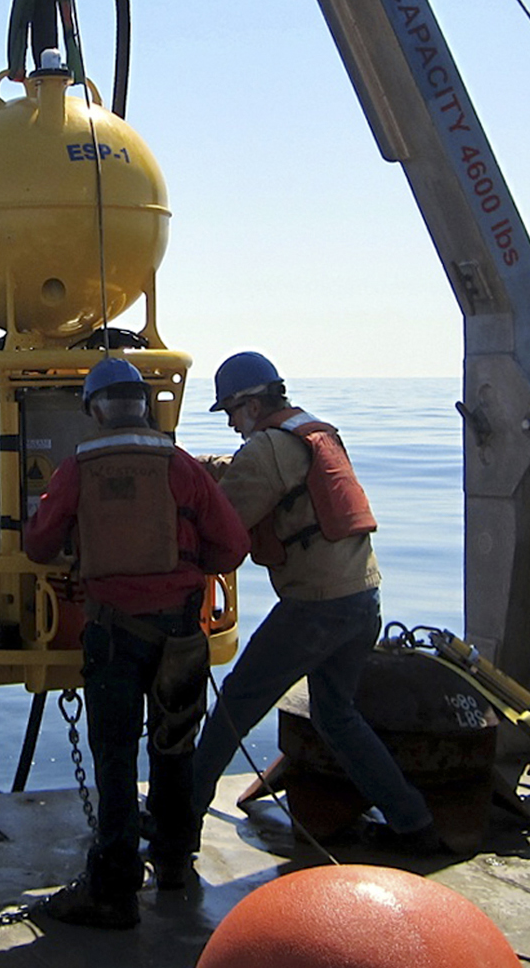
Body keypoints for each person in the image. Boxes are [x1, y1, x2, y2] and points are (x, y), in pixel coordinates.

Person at [24, 357, 250, 928]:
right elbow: (231, 544)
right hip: (180, 632)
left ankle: (115, 886)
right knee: (175, 748)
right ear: (145, 404)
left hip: (112, 633)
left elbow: (39, 546)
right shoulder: (180, 465)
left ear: (94, 410)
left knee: (116, 757)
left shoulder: (78, 468)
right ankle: (174, 861)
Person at [188, 351, 444, 853]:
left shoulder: (264, 450)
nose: (234, 428)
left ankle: (178, 819)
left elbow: (225, 527)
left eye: (232, 414)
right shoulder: (314, 431)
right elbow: (255, 469)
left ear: (250, 404)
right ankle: (414, 823)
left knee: (236, 705)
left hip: (315, 608)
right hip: (363, 597)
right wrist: (193, 464)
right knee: (335, 715)